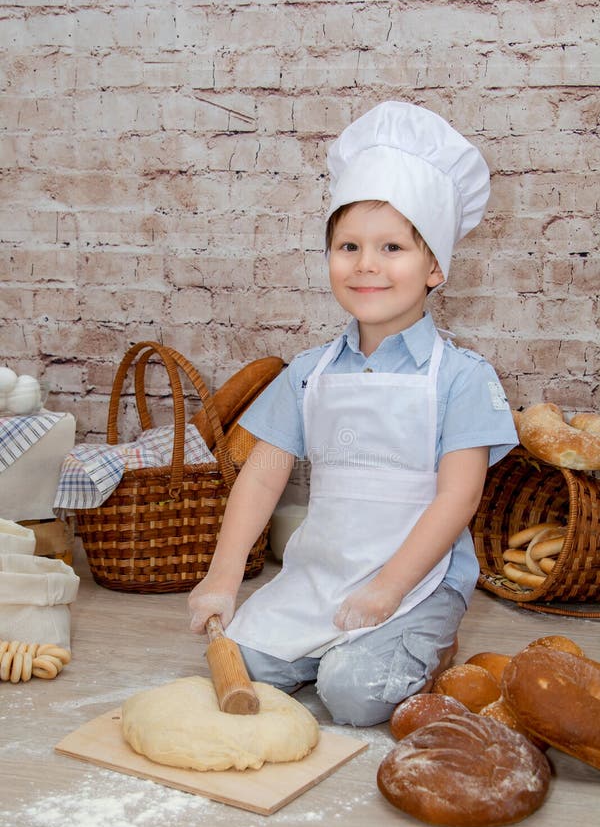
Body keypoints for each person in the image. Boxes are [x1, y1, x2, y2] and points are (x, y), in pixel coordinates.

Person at [187, 101, 518, 727]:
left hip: (415, 577)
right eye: (348, 246)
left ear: (435, 268)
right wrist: (222, 579)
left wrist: (389, 588)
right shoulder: (309, 371)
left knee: (352, 696)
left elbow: (458, 498)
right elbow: (262, 475)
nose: (366, 263)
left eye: (392, 246)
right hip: (325, 569)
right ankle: (334, 639)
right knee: (241, 661)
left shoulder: (461, 377)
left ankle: (426, 638)